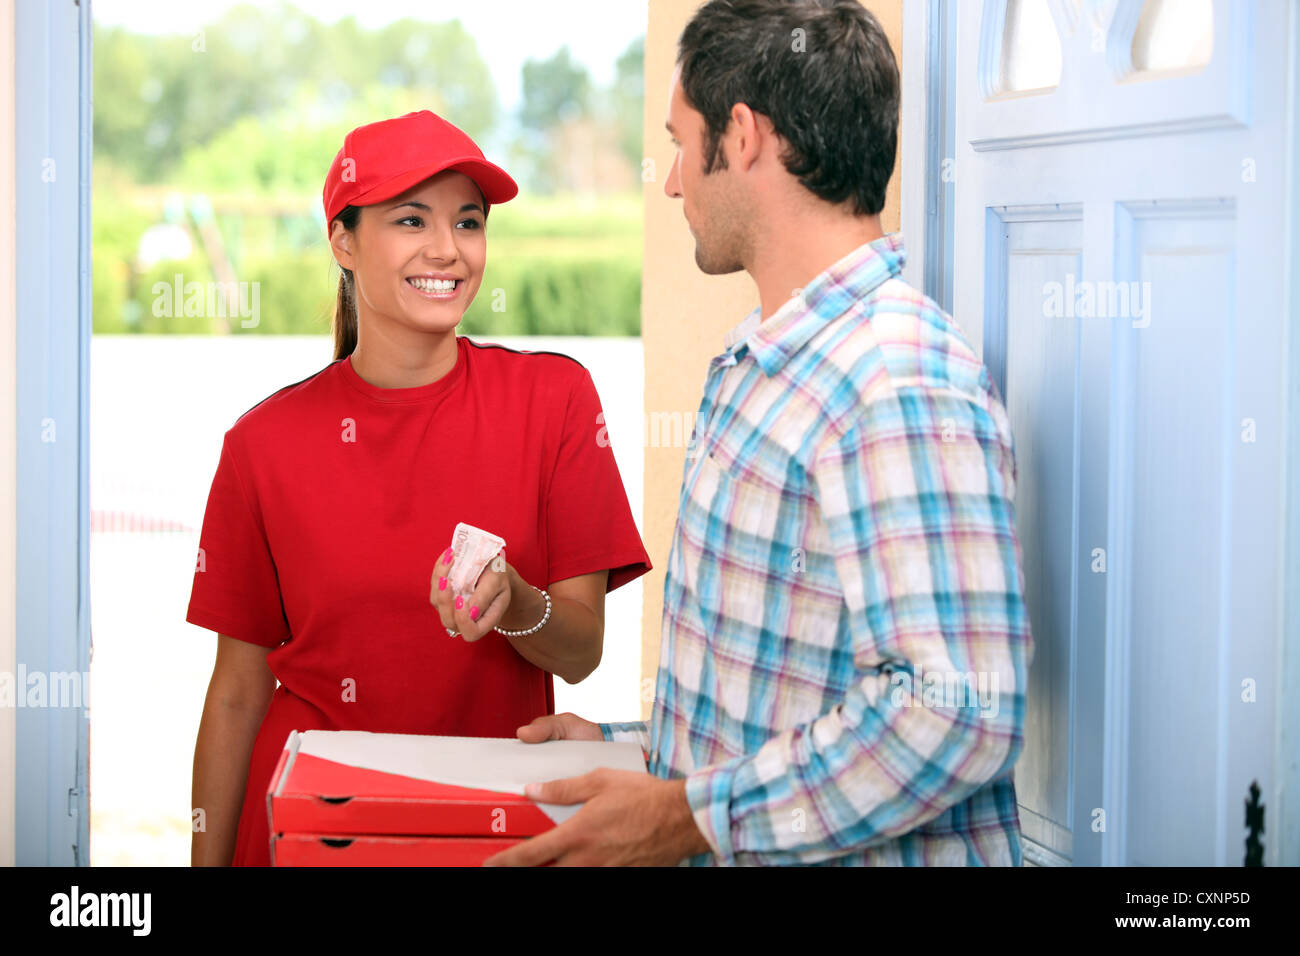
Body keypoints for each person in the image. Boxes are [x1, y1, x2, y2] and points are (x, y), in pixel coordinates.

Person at [488, 0, 1035, 866]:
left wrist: (685, 817)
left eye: (680, 141)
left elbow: (952, 714)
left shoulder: (894, 376)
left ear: (741, 136)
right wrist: (641, 759)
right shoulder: (767, 361)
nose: (671, 181)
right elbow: (781, 688)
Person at [187, 109, 652, 866]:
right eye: (411, 220)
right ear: (343, 240)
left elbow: (581, 652)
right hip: (310, 829)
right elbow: (237, 695)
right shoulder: (261, 445)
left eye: (468, 223)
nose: (448, 249)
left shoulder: (555, 401)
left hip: (487, 829)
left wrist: (516, 602)